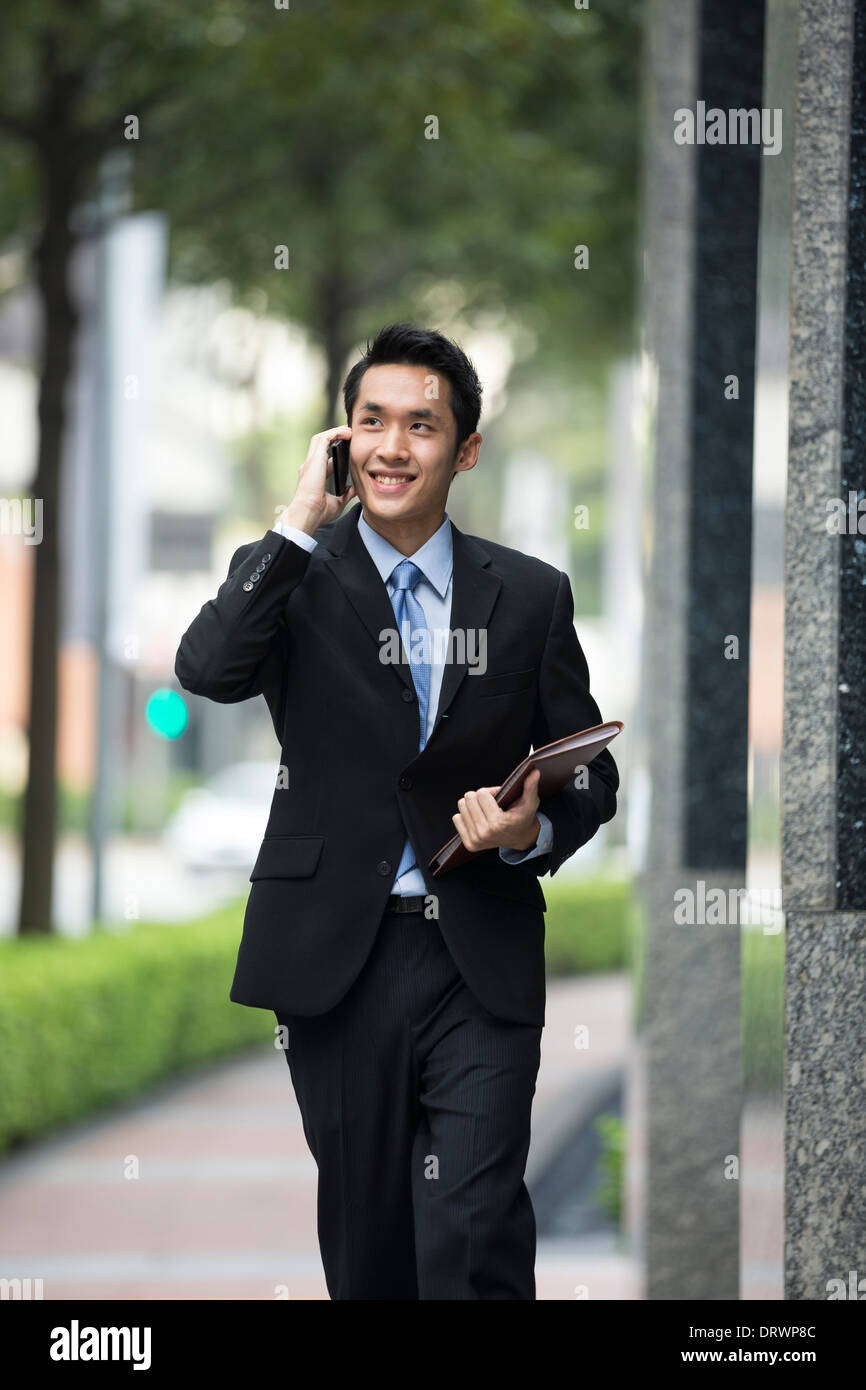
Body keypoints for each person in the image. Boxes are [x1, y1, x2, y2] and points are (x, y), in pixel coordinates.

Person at [175, 322, 618, 1300]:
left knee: (469, 1223)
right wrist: (295, 522)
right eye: (369, 421)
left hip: (479, 954)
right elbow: (206, 670)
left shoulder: (530, 596)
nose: (390, 446)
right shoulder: (294, 576)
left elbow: (589, 775)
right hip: (339, 958)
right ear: (342, 440)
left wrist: (529, 828)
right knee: (369, 1244)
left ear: (462, 450)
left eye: (420, 425)